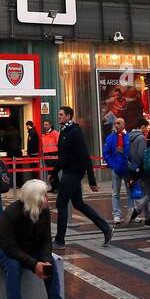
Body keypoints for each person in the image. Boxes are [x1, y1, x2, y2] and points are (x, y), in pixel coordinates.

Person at [0, 179, 68, 299]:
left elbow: (46, 240)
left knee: (50, 262)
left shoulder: (44, 211)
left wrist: (44, 259)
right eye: (45, 195)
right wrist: (34, 265)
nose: (48, 198)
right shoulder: (11, 213)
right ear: (35, 199)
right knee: (13, 266)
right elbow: (9, 247)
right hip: (3, 249)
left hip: (29, 248)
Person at [53, 106, 112, 247]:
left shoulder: (74, 132)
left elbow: (85, 157)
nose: (59, 116)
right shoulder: (64, 131)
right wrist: (54, 173)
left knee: (61, 204)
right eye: (58, 114)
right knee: (78, 203)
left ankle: (59, 240)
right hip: (68, 172)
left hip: (73, 174)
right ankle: (106, 228)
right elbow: (62, 156)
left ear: (68, 116)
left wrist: (92, 180)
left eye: (61, 114)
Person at [102, 117, 132, 225]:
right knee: (115, 193)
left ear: (124, 125)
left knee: (130, 192)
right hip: (116, 168)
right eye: (115, 123)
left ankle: (131, 212)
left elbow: (132, 152)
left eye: (118, 123)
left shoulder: (129, 137)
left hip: (128, 169)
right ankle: (116, 215)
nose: (116, 125)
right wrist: (112, 164)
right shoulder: (110, 138)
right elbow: (106, 153)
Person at [38, 121, 60, 189]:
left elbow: (58, 144)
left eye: (47, 124)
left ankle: (56, 187)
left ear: (50, 125)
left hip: (54, 154)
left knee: (54, 171)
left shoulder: (55, 133)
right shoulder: (44, 134)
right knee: (49, 172)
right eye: (44, 124)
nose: (45, 126)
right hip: (46, 154)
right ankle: (53, 187)